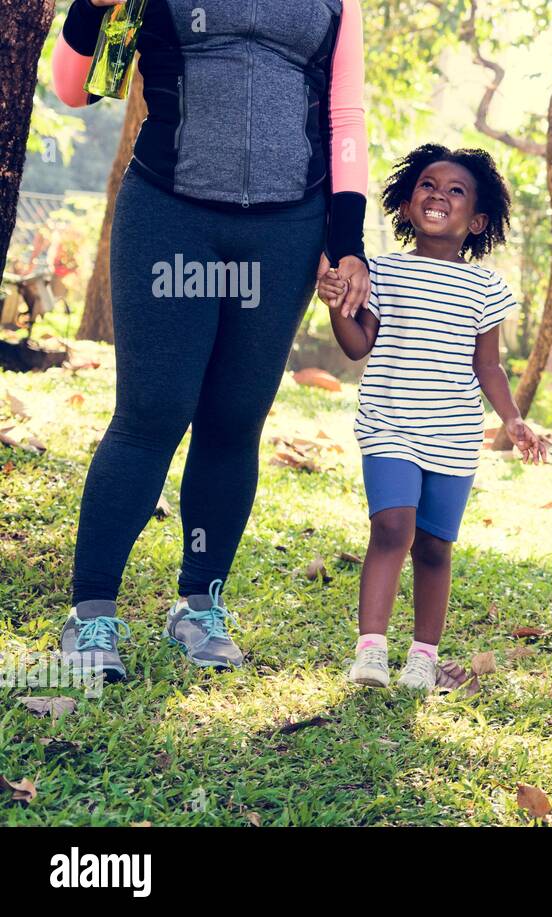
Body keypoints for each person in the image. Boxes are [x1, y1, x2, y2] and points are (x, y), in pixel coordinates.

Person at [52, 0, 373, 681]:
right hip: (172, 213)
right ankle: (91, 614)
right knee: (152, 413)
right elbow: (74, 87)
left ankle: (200, 603)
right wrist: (91, 8)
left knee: (234, 420)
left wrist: (347, 242)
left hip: (287, 228)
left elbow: (345, 115)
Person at [319, 144, 545, 693]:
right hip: (389, 425)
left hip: (454, 434)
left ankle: (423, 655)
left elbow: (487, 364)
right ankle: (371, 648)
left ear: (478, 220)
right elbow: (358, 346)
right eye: (427, 185)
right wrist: (334, 306)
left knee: (435, 546)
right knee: (392, 527)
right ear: (404, 204)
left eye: (456, 191)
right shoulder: (380, 272)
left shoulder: (485, 286)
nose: (438, 195)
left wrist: (512, 419)